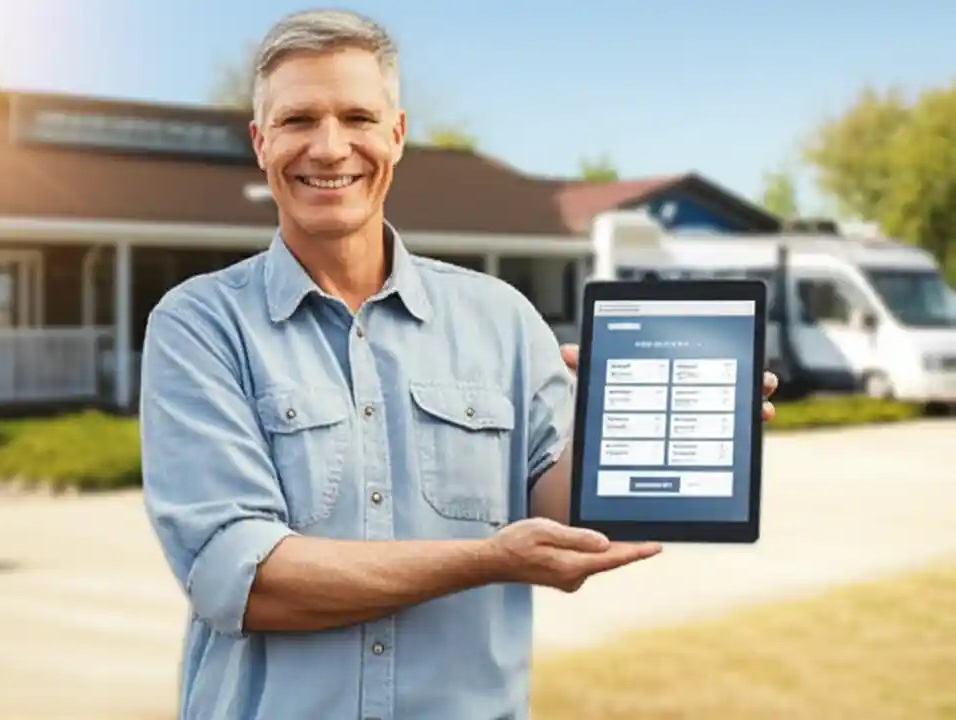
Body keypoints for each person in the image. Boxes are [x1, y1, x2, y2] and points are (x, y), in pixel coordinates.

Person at [139, 9, 778, 719]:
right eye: (297, 121)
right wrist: (488, 559)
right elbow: (249, 582)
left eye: (357, 116)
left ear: (397, 136)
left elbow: (567, 514)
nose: (329, 147)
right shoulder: (199, 326)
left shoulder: (501, 318)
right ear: (260, 143)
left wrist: (648, 420)